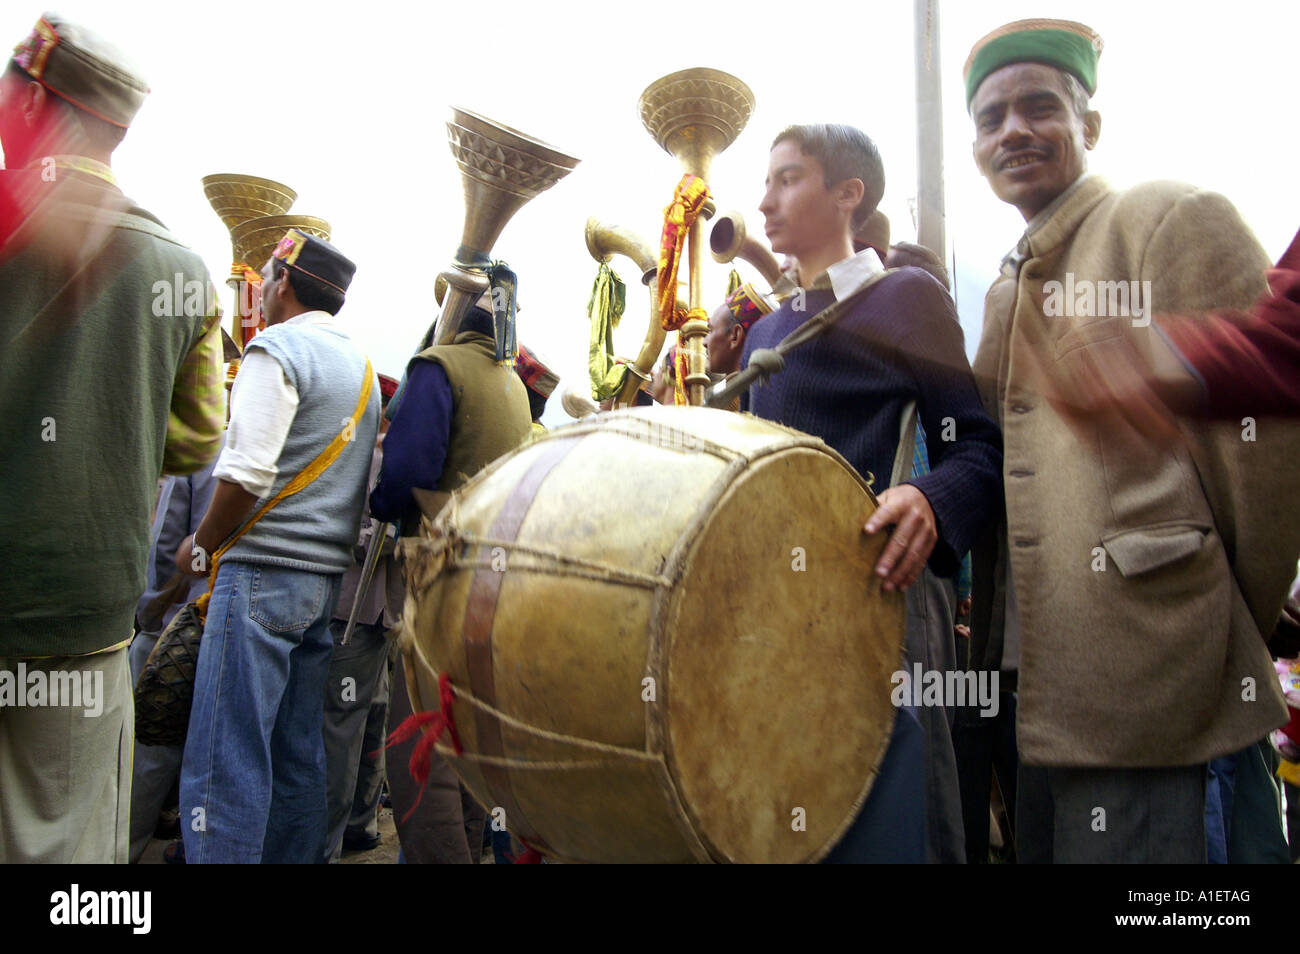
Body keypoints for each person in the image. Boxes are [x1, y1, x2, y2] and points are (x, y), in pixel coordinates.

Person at [964, 17, 1300, 862]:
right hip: (1038, 697)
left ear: (1091, 126)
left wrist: (1212, 625)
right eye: (991, 117)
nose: (1014, 130)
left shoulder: (1165, 218)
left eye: (1039, 106)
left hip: (1162, 699)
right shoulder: (1005, 292)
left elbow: (1261, 459)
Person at [743, 123, 1004, 862]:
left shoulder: (907, 297)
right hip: (782, 608)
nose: (764, 201)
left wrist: (930, 498)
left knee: (900, 811)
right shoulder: (765, 331)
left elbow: (978, 448)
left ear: (849, 193)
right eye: (764, 183)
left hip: (884, 589)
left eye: (787, 178)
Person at [0, 14, 225, 864]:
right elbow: (197, 438)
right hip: (85, 611)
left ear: (37, 101)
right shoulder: (183, 269)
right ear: (118, 127)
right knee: (63, 846)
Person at [177, 229, 379, 864]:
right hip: (321, 585)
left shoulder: (279, 347)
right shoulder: (364, 368)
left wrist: (201, 546)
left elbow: (245, 476)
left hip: (260, 574)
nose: (259, 289)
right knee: (298, 757)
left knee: (225, 761)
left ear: (283, 281)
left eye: (265, 277)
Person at [370, 297, 532, 863]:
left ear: (454, 317)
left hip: (439, 572)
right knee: (462, 737)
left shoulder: (439, 367)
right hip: (491, 576)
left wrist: (379, 500)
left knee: (418, 743)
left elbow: (406, 475)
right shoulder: (511, 384)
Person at [321, 373, 401, 862]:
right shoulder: (388, 461)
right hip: (382, 616)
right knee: (372, 718)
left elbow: (365, 539)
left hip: (353, 609)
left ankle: (327, 841)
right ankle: (361, 823)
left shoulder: (367, 459)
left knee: (340, 728)